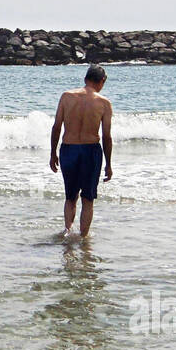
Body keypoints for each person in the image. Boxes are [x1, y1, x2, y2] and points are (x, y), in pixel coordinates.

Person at [49, 64, 113, 238]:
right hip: (91, 152)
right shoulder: (104, 103)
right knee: (88, 198)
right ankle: (84, 238)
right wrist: (108, 164)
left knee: (70, 196)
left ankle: (68, 232)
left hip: (68, 150)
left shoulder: (66, 96)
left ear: (85, 79)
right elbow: (106, 137)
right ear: (102, 81)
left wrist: (53, 153)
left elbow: (56, 128)